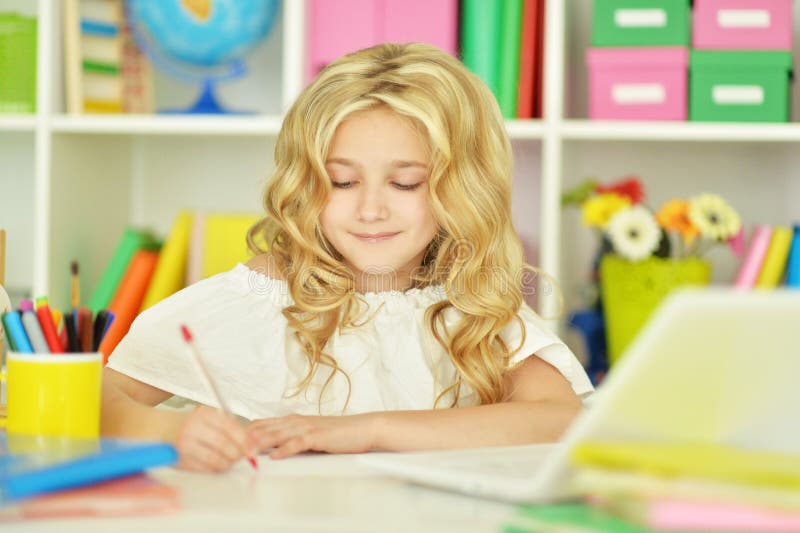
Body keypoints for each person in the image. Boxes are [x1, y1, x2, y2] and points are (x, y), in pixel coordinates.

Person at [101, 42, 594, 473]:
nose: (371, 209)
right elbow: (94, 394)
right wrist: (166, 431)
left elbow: (560, 418)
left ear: (461, 188)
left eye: (405, 183)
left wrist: (368, 430)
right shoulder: (260, 295)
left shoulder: (469, 300)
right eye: (342, 181)